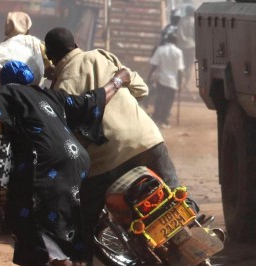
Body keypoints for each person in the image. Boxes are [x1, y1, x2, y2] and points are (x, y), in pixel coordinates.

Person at [0, 60, 131, 266]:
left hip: (41, 161)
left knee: (25, 218)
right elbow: (90, 101)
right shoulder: (50, 95)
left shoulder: (7, 93)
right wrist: (118, 80)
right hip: (75, 160)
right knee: (56, 219)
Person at [44, 27, 179, 249]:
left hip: (104, 160)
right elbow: (141, 89)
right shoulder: (102, 56)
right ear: (76, 44)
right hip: (147, 140)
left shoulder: (61, 86)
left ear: (51, 57)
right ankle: (193, 225)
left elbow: (65, 133)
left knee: (83, 220)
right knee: (175, 194)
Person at [0, 11, 45, 89]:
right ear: (28, 27)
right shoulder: (37, 43)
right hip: (33, 93)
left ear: (8, 27)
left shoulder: (2, 47)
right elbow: (48, 65)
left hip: (8, 94)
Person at [147, 29, 184, 126]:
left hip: (162, 79)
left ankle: (156, 117)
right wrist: (180, 83)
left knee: (159, 99)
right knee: (168, 101)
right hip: (172, 81)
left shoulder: (160, 50)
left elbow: (154, 65)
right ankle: (163, 119)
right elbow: (180, 69)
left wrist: (149, 76)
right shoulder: (178, 52)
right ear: (175, 41)